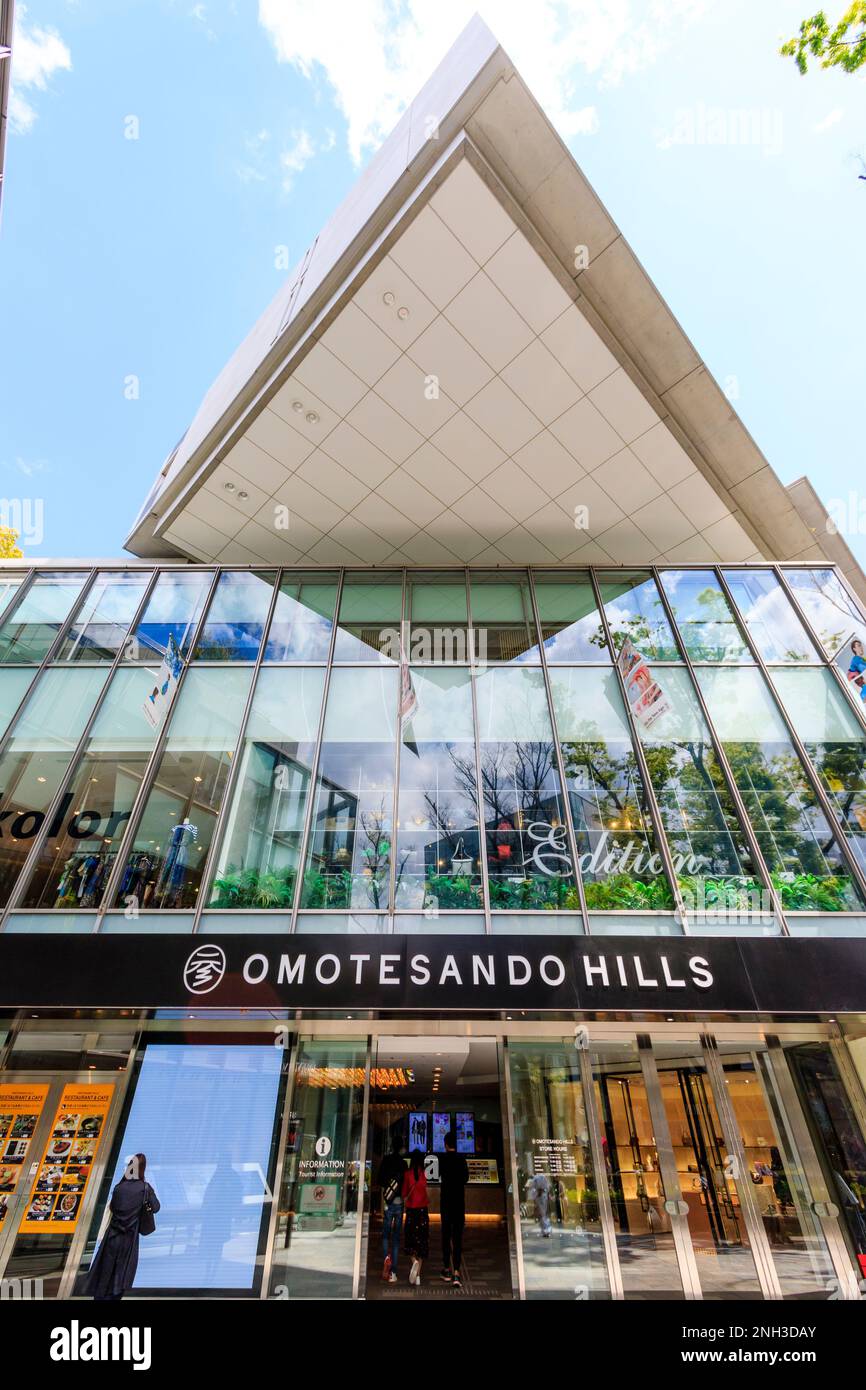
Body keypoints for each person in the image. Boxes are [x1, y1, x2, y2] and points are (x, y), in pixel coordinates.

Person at [85, 1153, 160, 1300]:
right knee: (121, 1276)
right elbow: (156, 1207)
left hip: (112, 1237)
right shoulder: (144, 1188)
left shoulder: (119, 1187)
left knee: (105, 1272)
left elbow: (112, 1207)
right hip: (129, 1239)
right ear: (142, 1169)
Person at [439, 1130, 469, 1287]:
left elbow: (439, 1175)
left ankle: (446, 1269)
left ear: (445, 1144)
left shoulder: (442, 1160)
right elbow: (466, 1178)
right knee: (457, 1239)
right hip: (459, 1205)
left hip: (446, 1205)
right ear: (455, 1145)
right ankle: (457, 1272)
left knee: (445, 1237)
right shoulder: (462, 1160)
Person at [378, 1134, 406, 1282]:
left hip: (388, 1203)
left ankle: (386, 1261)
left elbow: (379, 1180)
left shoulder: (386, 1160)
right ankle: (393, 1273)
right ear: (401, 1147)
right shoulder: (403, 1163)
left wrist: (387, 1188)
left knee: (385, 1235)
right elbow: (405, 1185)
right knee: (396, 1238)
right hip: (399, 1203)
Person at [402, 1149, 429, 1286]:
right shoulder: (424, 1174)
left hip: (412, 1211)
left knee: (410, 1240)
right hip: (423, 1211)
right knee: (422, 1241)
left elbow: (404, 1193)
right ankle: (418, 1276)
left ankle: (414, 1262)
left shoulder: (407, 1174)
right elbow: (425, 1189)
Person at [526, 1171, 552, 1236]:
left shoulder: (536, 1178)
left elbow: (531, 1187)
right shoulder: (543, 1178)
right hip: (543, 1196)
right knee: (543, 1214)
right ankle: (545, 1230)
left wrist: (536, 1195)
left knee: (542, 1214)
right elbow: (548, 1187)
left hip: (540, 1197)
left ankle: (546, 1230)